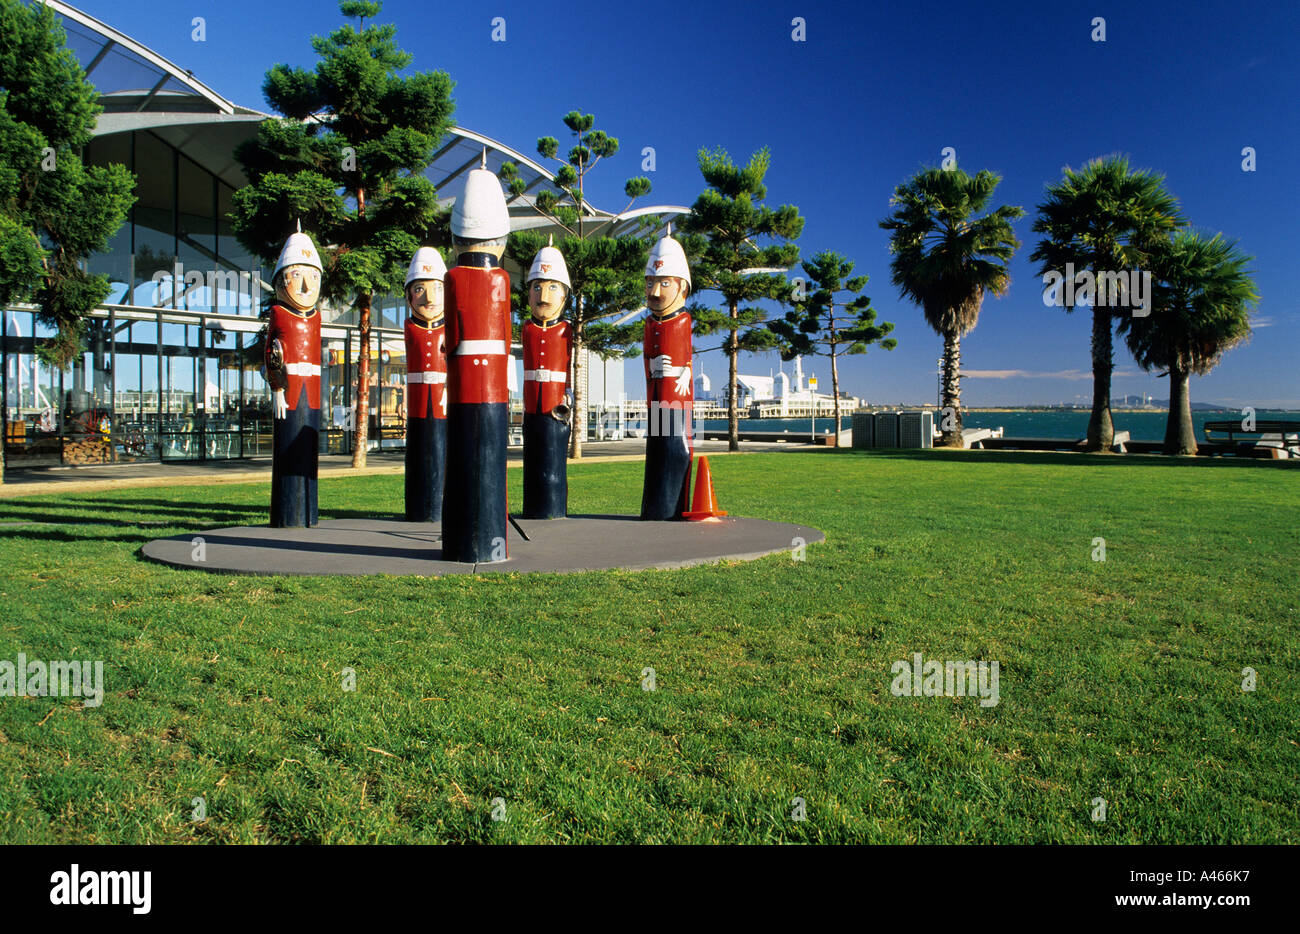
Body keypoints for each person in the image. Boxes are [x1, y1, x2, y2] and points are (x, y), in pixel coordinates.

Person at [441, 155, 512, 562]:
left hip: (475, 390)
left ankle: (478, 540)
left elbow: (457, 338)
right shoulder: (486, 279)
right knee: (479, 463)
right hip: (480, 390)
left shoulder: (462, 279)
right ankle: (479, 541)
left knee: (474, 464)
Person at [265, 223, 323, 528]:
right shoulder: (279, 314)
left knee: (308, 452)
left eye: (312, 276)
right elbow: (270, 352)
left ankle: (309, 514)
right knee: (288, 450)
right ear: (280, 280)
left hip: (311, 391)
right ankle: (289, 514)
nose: (305, 287)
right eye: (296, 275)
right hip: (287, 392)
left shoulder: (318, 318)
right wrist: (277, 385)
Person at [640, 230, 694, 520]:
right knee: (657, 447)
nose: (655, 292)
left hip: (675, 399)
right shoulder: (650, 323)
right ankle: (655, 507)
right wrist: (652, 369)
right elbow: (647, 356)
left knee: (675, 445)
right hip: (657, 398)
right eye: (650, 283)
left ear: (681, 287)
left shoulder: (682, 320)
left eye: (664, 283)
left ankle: (671, 506)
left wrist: (683, 372)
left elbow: (686, 356)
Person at [521, 241, 573, 519]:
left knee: (553, 461)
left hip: (555, 405)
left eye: (553, 287)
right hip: (531, 405)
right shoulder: (526, 328)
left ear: (565, 295)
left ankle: (553, 508)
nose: (543, 295)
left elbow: (570, 363)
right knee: (532, 459)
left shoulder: (566, 329)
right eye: (537, 287)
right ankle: (533, 507)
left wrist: (569, 394)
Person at [402, 247, 448, 522]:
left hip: (443, 403)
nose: (430, 298)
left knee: (443, 452)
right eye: (420, 289)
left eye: (438, 289)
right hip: (418, 404)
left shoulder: (451, 327)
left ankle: (441, 506)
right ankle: (419, 508)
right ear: (408, 295)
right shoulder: (410, 327)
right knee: (418, 455)